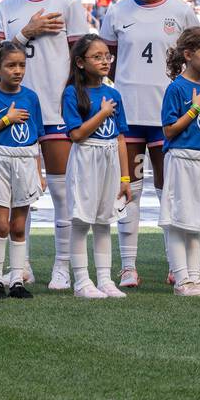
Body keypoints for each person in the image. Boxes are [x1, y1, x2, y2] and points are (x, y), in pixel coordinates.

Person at [99, 0, 200, 287]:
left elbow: (194, 63)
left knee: (168, 189)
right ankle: (128, 267)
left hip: (167, 117)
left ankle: (176, 266)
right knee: (128, 189)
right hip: (127, 115)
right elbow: (105, 62)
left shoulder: (182, 12)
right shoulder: (116, 13)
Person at [0, 0, 91, 290]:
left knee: (63, 194)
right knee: (21, 196)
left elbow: (81, 64)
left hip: (56, 111)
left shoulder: (68, 4)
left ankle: (63, 266)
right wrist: (26, 32)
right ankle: (22, 267)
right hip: (17, 113)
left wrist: (73, 104)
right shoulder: (7, 6)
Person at [62, 35, 132, 299]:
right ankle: (81, 280)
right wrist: (101, 114)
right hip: (85, 159)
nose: (105, 61)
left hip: (110, 159)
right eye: (97, 56)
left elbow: (121, 137)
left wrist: (125, 176)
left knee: (105, 221)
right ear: (80, 62)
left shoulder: (113, 93)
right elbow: (77, 135)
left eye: (107, 56)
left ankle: (104, 278)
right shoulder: (72, 93)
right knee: (82, 220)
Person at [159, 27, 200, 296]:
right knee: (179, 220)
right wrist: (195, 109)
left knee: (196, 222)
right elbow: (169, 130)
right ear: (188, 54)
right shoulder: (176, 88)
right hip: (181, 159)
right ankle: (181, 279)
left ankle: (195, 278)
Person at [0, 42, 42, 299]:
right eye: (11, 65)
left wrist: (38, 172)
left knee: (18, 226)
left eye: (22, 65)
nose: (17, 70)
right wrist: (6, 119)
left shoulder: (31, 97)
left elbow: (36, 138)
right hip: (0, 159)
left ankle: (16, 280)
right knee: (1, 224)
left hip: (25, 161)